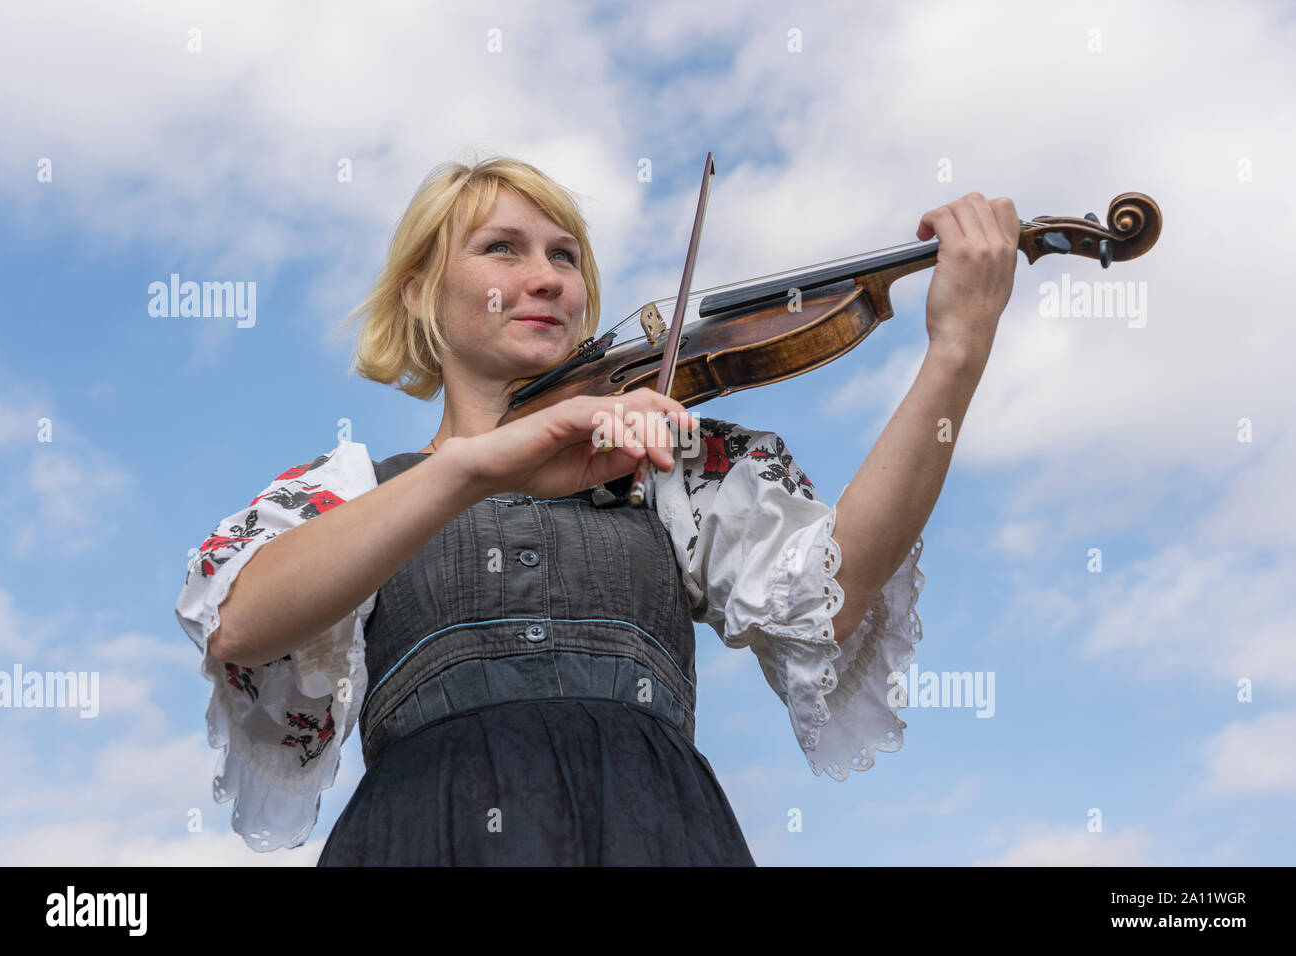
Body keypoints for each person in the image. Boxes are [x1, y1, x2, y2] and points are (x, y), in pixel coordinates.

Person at [174, 156, 1018, 865]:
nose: (545, 277)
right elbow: (241, 623)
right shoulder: (361, 488)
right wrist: (471, 469)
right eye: (502, 249)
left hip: (652, 832)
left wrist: (956, 352)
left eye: (565, 256)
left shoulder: (659, 460)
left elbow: (831, 599)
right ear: (419, 296)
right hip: (431, 835)